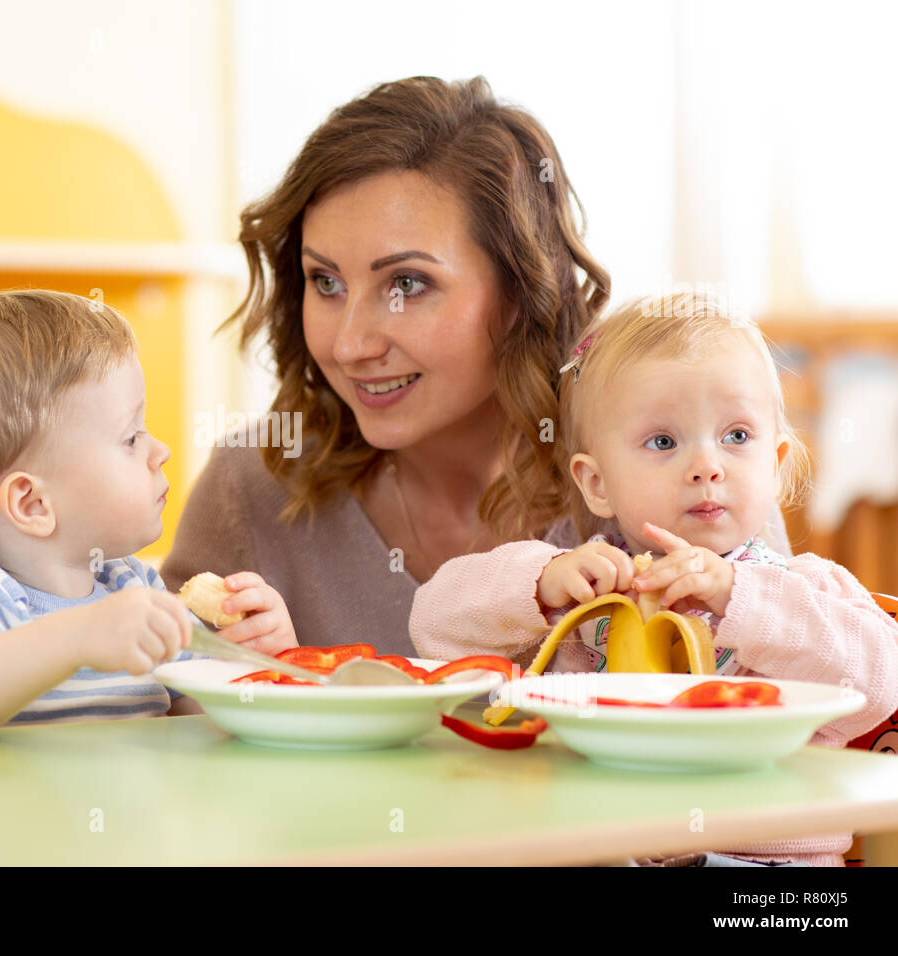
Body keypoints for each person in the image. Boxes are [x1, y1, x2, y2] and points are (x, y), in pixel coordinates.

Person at [161, 75, 797, 655]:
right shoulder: (251, 489)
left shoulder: (689, 465)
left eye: (407, 284)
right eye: (325, 282)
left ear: (521, 290)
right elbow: (167, 720)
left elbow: (788, 701)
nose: (350, 343)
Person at [410, 291, 898, 866]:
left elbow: (881, 683)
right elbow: (433, 625)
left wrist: (739, 596)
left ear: (775, 464)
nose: (707, 466)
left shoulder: (804, 590)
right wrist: (536, 585)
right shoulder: (583, 587)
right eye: (663, 442)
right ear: (597, 485)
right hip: (607, 847)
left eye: (737, 436)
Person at [0, 290, 297, 734]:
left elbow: (205, 726)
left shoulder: (134, 586)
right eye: (131, 438)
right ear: (33, 504)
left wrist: (264, 663)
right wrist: (76, 637)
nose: (161, 450)